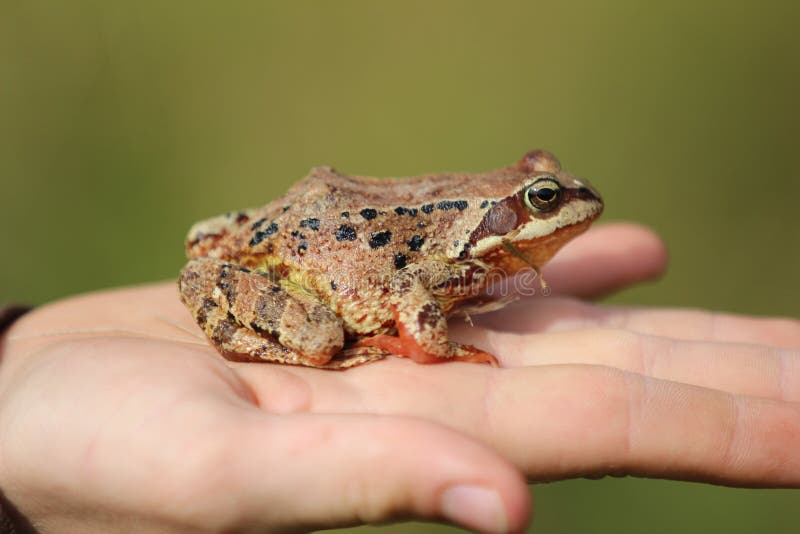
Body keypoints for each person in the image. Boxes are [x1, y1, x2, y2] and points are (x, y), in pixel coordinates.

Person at [0, 223, 797, 533]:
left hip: (296, 224)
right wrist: (440, 349)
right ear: (501, 219)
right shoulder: (461, 262)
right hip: (309, 270)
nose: (564, 214)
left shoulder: (482, 260)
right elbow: (415, 303)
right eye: (541, 203)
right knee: (319, 337)